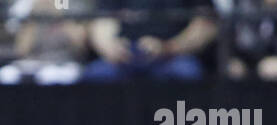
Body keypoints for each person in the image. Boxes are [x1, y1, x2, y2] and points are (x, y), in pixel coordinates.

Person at [81, 0, 217, 81]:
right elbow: (102, 21)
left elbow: (206, 25)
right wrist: (111, 48)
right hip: (124, 59)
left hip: (172, 57)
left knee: (187, 71)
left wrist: (168, 48)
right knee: (96, 74)